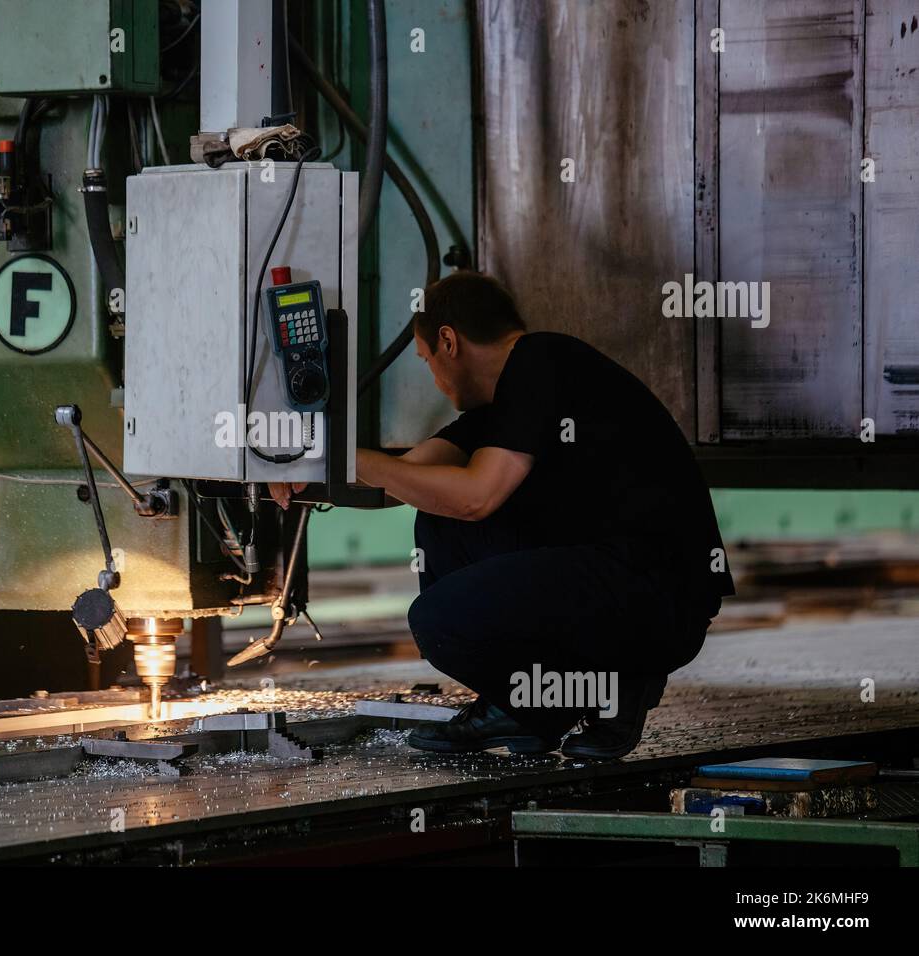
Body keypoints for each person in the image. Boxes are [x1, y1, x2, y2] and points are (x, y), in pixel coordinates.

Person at [272, 271, 734, 758]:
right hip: (621, 587)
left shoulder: (542, 359)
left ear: (448, 340)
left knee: (438, 621)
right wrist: (306, 460)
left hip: (658, 598)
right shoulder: (509, 400)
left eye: (427, 361)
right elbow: (404, 478)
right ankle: (531, 712)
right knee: (438, 516)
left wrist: (343, 455)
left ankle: (605, 687)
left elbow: (476, 496)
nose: (433, 379)